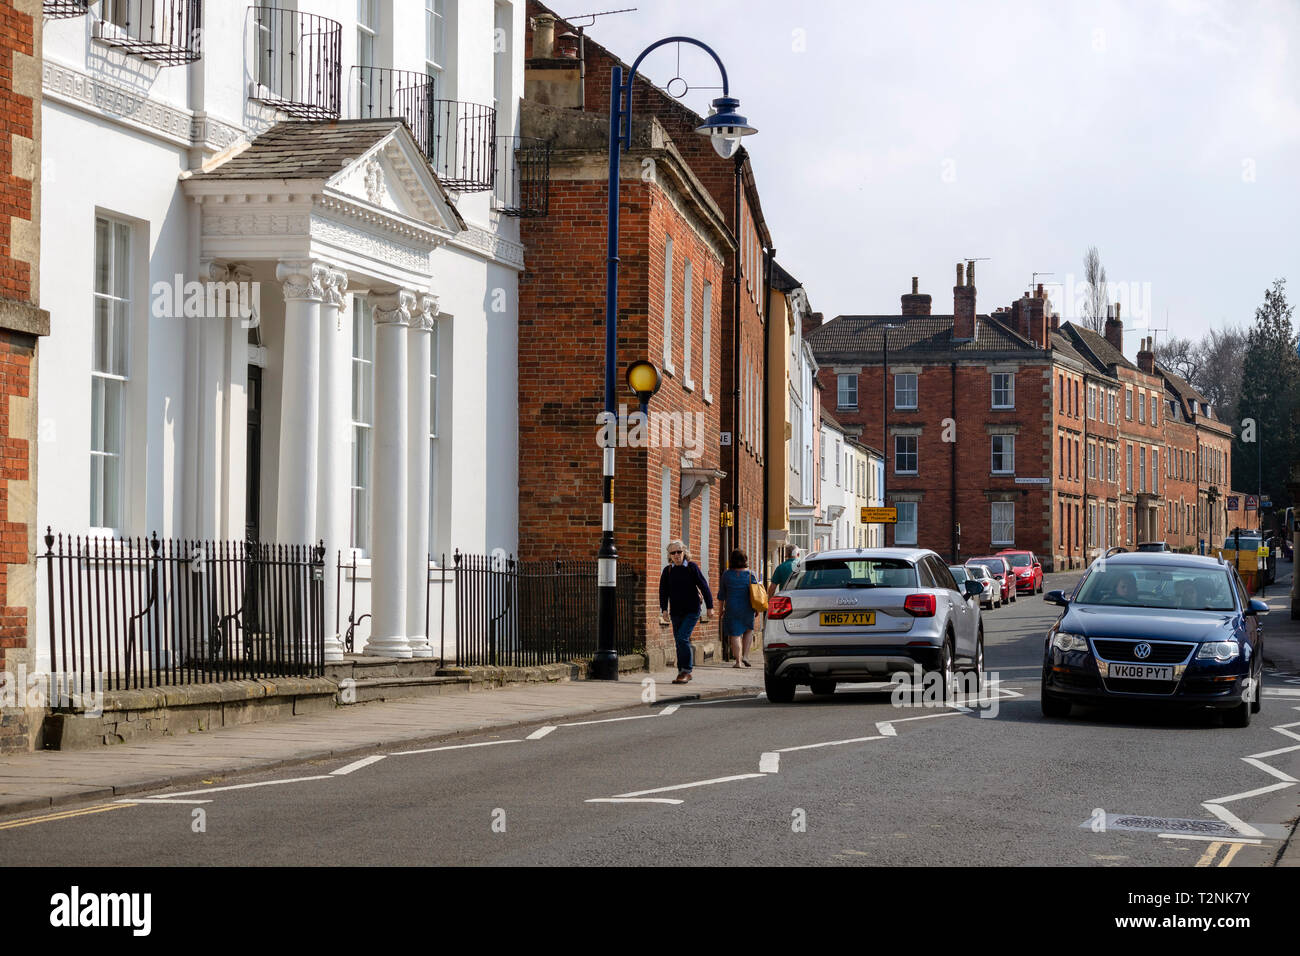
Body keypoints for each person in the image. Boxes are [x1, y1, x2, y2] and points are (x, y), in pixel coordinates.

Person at [658, 539, 713, 684]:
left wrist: (710, 607)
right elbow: (663, 592)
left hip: (692, 610)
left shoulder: (691, 567)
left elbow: (704, 586)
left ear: (684, 552)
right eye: (673, 553)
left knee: (682, 638)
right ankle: (681, 671)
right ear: (669, 555)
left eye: (679, 552)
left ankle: (686, 671)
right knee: (679, 641)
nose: (676, 555)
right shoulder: (668, 571)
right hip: (676, 612)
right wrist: (664, 609)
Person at [718, 549, 758, 668]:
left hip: (732, 607)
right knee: (748, 630)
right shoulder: (750, 574)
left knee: (735, 634)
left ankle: (738, 661)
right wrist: (756, 608)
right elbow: (755, 593)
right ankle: (745, 655)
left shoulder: (726, 574)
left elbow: (722, 595)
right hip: (748, 607)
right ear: (745, 560)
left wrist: (720, 611)